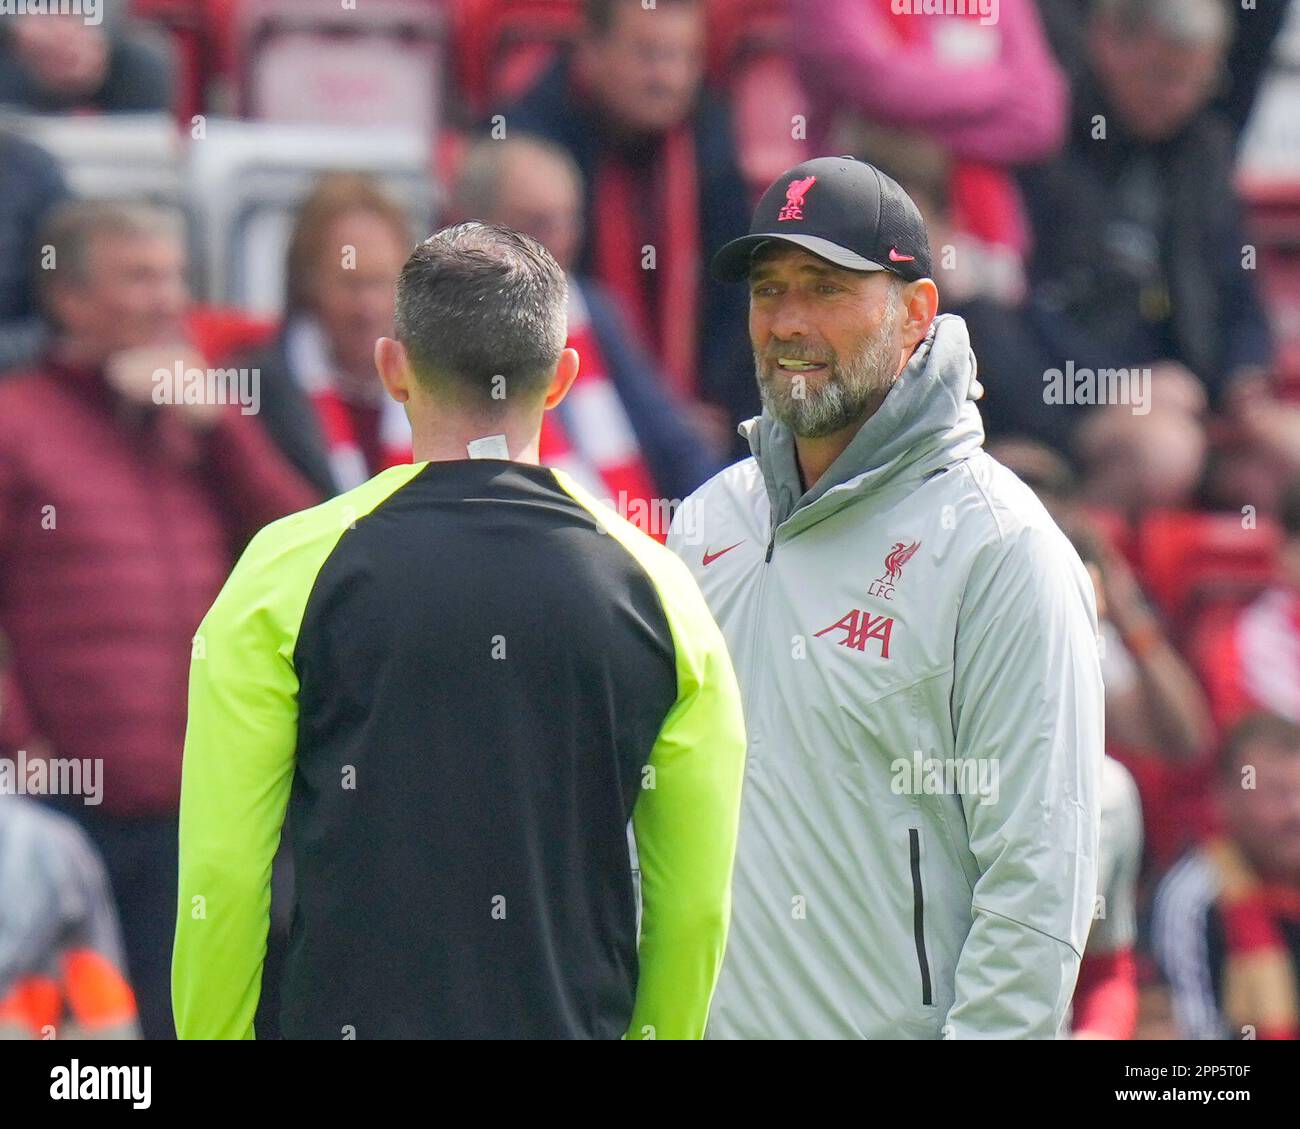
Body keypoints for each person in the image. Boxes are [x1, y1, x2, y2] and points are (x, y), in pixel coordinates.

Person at [173, 222, 748, 1040]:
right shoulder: (661, 588)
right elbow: (693, 907)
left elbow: (222, 876)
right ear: (562, 380)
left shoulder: (286, 570)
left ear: (393, 368)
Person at [668, 156, 1103, 1039]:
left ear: (916, 313)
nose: (787, 322)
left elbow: (1039, 888)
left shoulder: (1001, 550)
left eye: (825, 288)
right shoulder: (708, 520)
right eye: (768, 288)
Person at [0, 201, 319, 1040]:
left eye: (175, 275)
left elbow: (302, 549)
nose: (168, 297)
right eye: (140, 276)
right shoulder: (17, 422)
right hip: (73, 810)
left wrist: (219, 430)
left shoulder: (196, 427)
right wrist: (16, 741)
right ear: (69, 301)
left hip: (206, 808)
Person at [499, 0, 756, 456]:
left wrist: (715, 407)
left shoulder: (710, 135)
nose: (668, 79)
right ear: (591, 49)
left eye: (684, 58)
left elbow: (734, 291)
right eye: (648, 55)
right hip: (566, 407)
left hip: (703, 414)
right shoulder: (530, 139)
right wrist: (655, 415)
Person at [449, 135, 722, 516]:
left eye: (568, 220)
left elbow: (673, 443)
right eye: (538, 223)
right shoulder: (444, 327)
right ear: (475, 226)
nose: (559, 240)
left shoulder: (594, 310)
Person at [1151, 713, 1300, 1040]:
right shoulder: (1195, 894)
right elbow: (1194, 1032)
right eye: (1277, 793)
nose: (1295, 812)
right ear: (1224, 799)